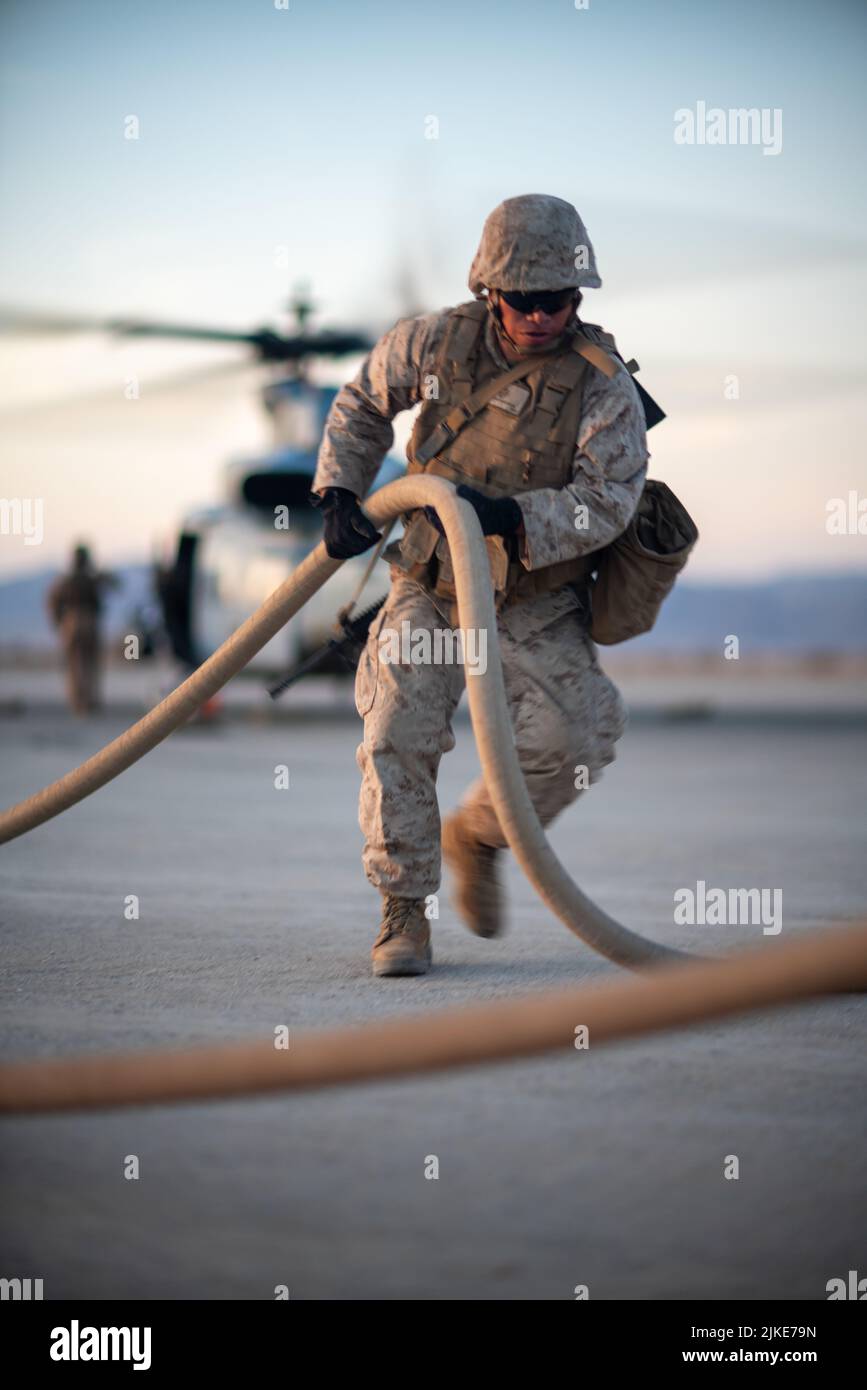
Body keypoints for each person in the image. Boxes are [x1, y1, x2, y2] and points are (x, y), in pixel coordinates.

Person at [312, 194, 648, 977]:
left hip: (531, 591)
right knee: (394, 728)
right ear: (489, 291)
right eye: (523, 300)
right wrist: (337, 490)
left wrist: (512, 514)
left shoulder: (602, 386)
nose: (539, 316)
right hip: (431, 580)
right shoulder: (432, 343)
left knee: (578, 736)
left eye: (556, 300)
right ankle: (403, 911)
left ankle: (482, 834)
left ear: (578, 296)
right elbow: (363, 401)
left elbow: (608, 501)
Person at [46, 543, 117, 715]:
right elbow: (115, 584)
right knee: (87, 663)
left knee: (76, 664)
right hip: (87, 620)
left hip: (72, 622)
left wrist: (59, 622)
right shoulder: (88, 579)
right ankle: (87, 701)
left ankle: (80, 702)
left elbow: (53, 602)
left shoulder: (67, 580)